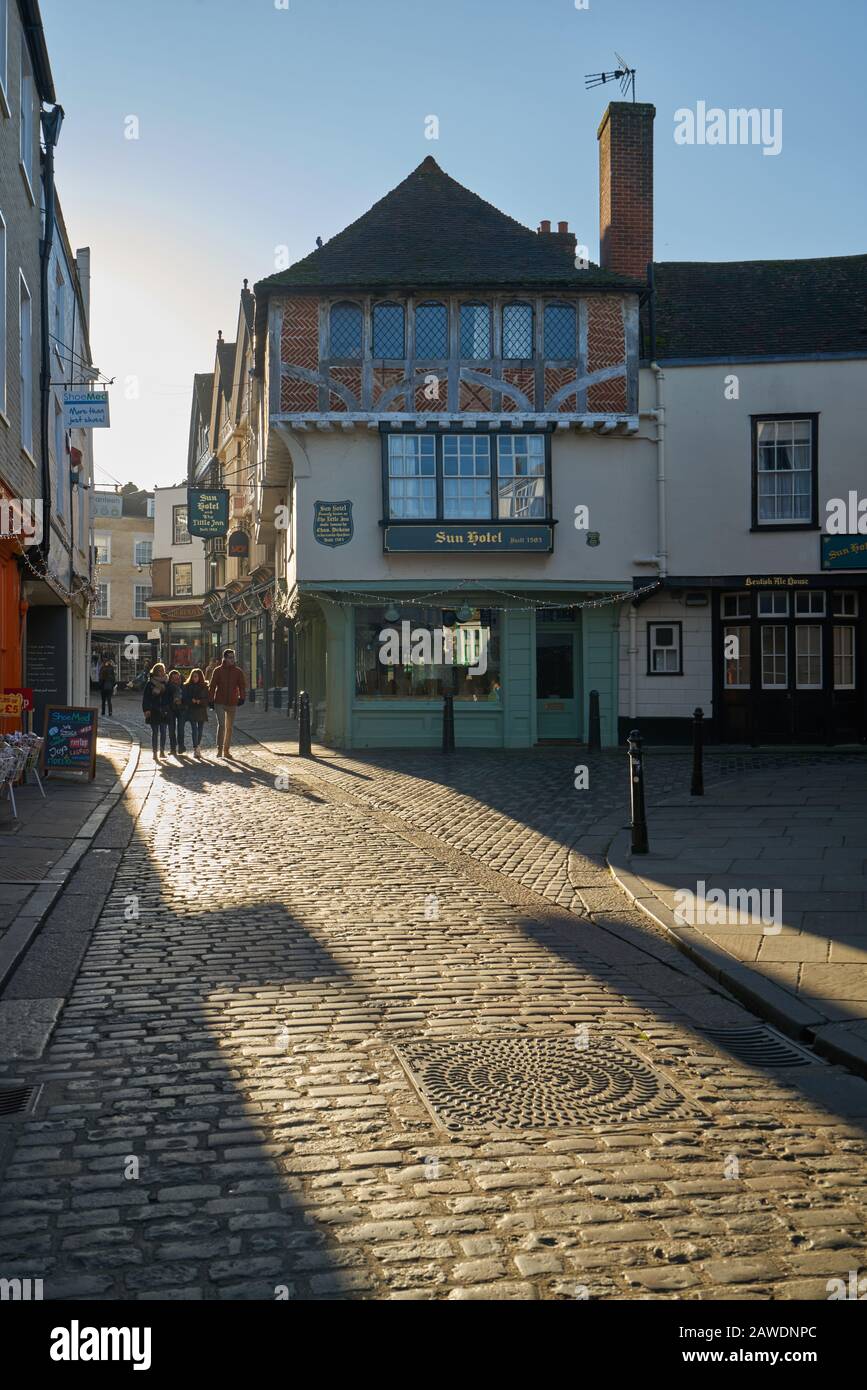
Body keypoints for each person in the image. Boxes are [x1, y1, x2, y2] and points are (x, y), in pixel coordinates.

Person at [208, 648, 246, 759]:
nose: (232, 659)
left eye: (233, 657)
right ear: (224, 658)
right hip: (219, 701)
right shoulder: (218, 670)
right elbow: (212, 686)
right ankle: (219, 749)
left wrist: (242, 697)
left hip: (232, 702)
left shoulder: (238, 671)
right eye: (230, 657)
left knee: (229, 727)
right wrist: (210, 700)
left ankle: (226, 750)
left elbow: (242, 686)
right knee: (222, 725)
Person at [142, 662, 171, 761]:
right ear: (155, 671)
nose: (161, 672)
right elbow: (146, 698)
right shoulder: (150, 684)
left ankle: (162, 751)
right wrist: (146, 709)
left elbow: (169, 696)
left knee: (163, 731)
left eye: (162, 670)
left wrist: (168, 707)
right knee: (155, 732)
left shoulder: (167, 682)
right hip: (154, 710)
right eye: (159, 670)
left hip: (164, 711)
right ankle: (154, 752)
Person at [182, 669, 210, 759]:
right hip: (192, 710)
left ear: (200, 677)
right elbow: (185, 699)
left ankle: (198, 746)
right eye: (193, 676)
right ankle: (195, 748)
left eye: (196, 676)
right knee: (194, 729)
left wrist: (199, 701)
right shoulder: (187, 686)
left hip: (201, 710)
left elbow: (207, 699)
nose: (194, 678)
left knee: (200, 729)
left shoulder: (204, 686)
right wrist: (191, 701)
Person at [166, 669, 185, 755]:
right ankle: (173, 748)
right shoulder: (168, 687)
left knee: (181, 729)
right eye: (173, 678)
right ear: (170, 679)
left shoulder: (183, 686)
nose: (176, 680)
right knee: (171, 730)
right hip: (171, 710)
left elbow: (186, 698)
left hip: (181, 709)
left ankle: (181, 747)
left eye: (177, 678)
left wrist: (182, 701)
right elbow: (165, 698)